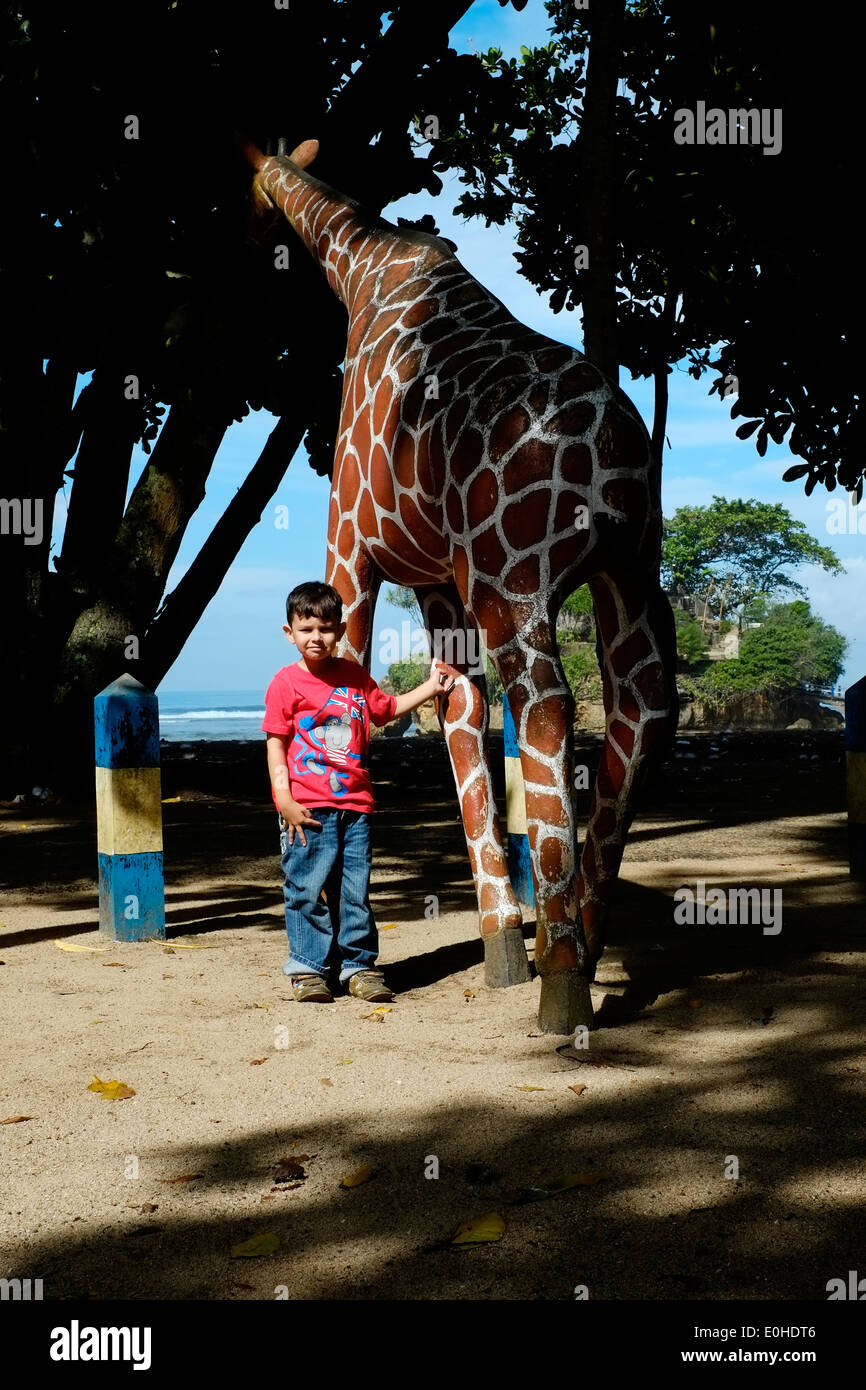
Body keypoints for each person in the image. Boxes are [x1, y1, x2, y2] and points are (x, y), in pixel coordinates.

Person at [262, 581, 458, 1004]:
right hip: (307, 807)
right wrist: (284, 799)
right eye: (307, 629)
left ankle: (358, 967)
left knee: (355, 891)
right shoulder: (285, 683)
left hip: (356, 806)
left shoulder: (353, 675)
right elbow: (275, 741)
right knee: (307, 888)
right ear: (289, 633)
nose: (317, 638)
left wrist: (431, 687)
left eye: (327, 628)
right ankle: (309, 970)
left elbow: (384, 710)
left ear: (341, 628)